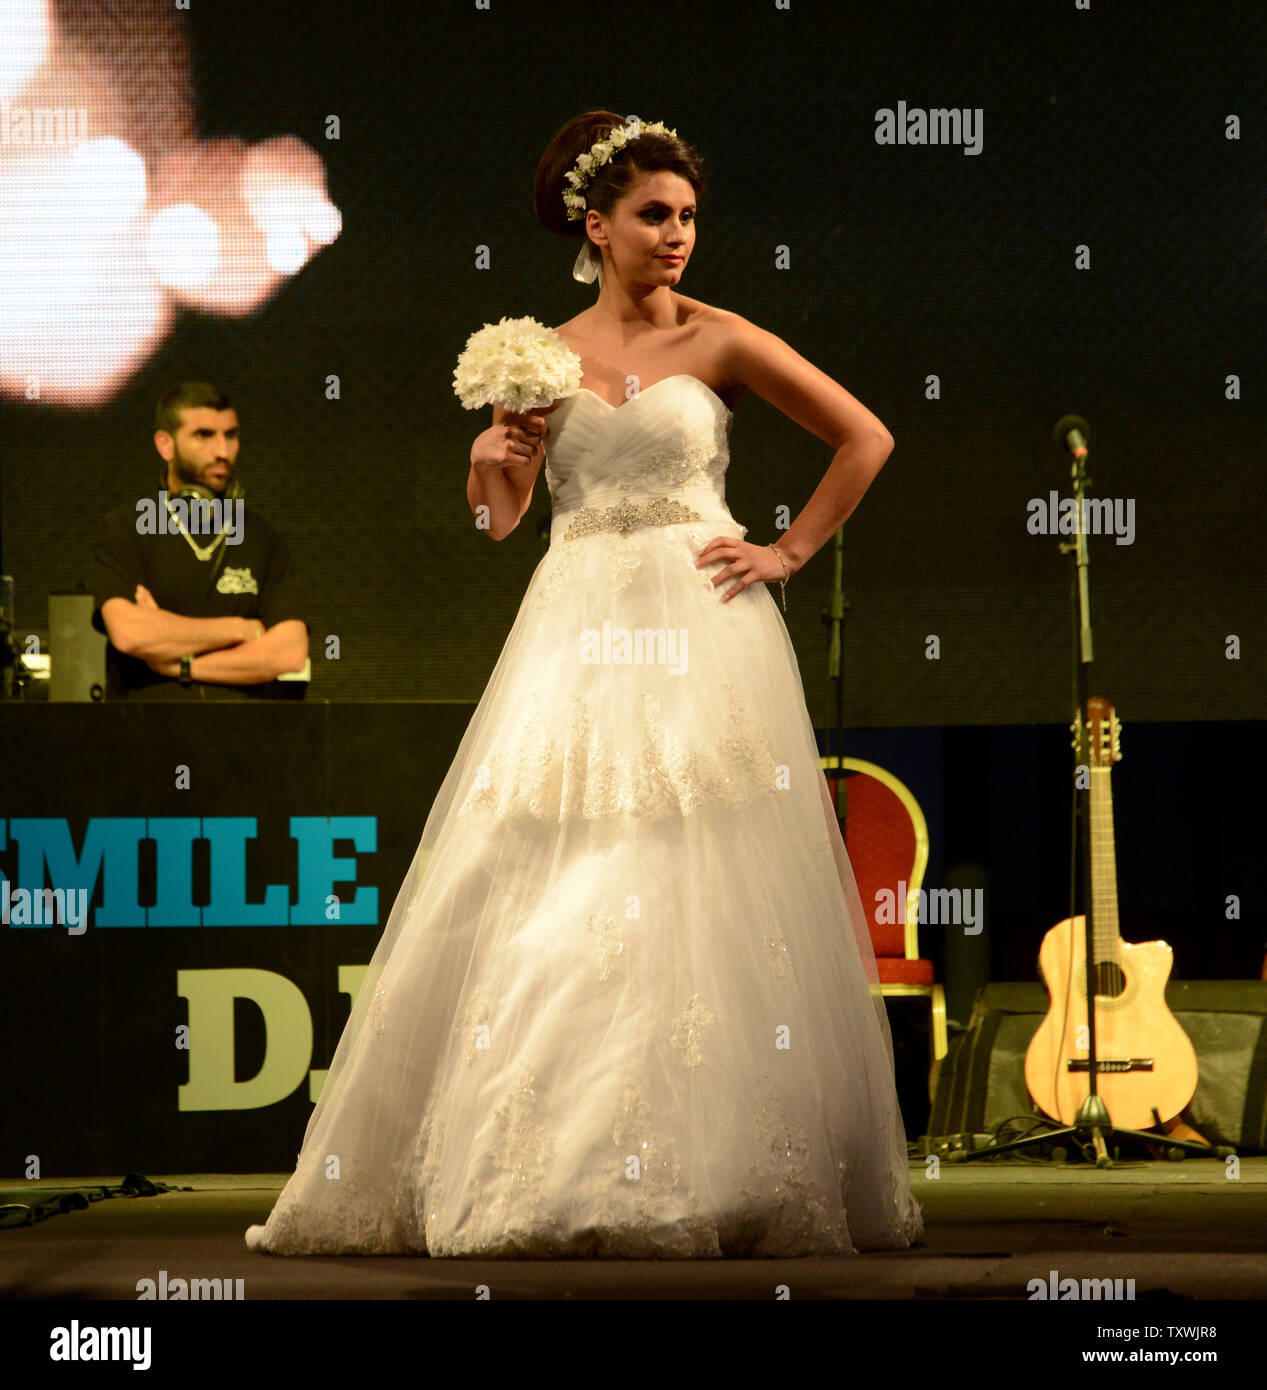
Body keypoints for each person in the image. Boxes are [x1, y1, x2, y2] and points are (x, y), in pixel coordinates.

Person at [246, 111, 922, 1257]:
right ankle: (553, 1162)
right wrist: (483, 470)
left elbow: (865, 436)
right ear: (594, 224)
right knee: (558, 876)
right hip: (577, 624)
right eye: (654, 215)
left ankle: (709, 1169)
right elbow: (500, 526)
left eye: (689, 216)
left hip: (704, 626)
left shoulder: (722, 339)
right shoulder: (538, 355)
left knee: (693, 880)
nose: (677, 235)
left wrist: (785, 550)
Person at [92, 383, 309, 700]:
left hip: (245, 741)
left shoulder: (264, 538)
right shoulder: (126, 529)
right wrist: (241, 629)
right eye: (204, 435)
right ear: (166, 445)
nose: (222, 451)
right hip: (143, 739)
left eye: (230, 435)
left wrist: (177, 664)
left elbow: (288, 653)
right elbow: (130, 634)